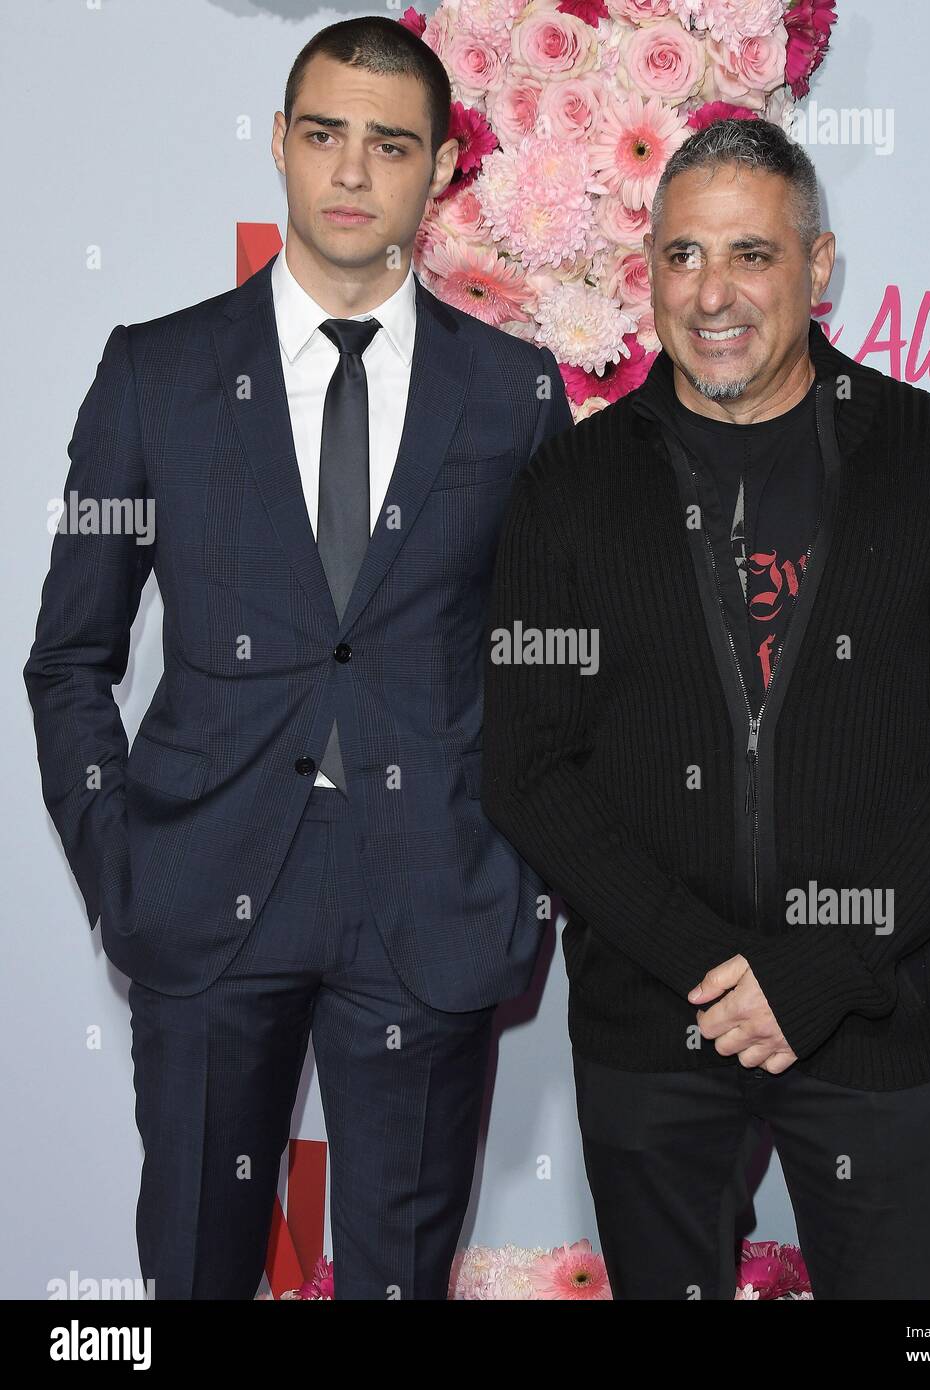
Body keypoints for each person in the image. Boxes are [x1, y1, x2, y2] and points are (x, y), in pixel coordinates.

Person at [24, 16, 570, 1300]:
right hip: (204, 884)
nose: (349, 172)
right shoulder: (155, 374)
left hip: (429, 897)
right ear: (276, 144)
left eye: (389, 145)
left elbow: (559, 668)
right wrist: (123, 866)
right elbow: (69, 657)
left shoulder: (513, 394)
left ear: (438, 171)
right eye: (322, 135)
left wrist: (516, 878)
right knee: (196, 1278)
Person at [481, 118, 930, 1300]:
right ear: (646, 270)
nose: (711, 294)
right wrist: (714, 966)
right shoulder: (568, 486)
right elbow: (529, 764)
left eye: (749, 255)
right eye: (681, 257)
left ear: (818, 264)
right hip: (652, 1021)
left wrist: (819, 966)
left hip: (875, 1014)